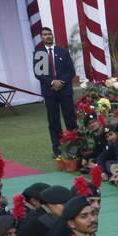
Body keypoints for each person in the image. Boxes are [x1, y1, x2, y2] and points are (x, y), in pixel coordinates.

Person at [34, 26, 78, 159]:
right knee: (54, 122)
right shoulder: (39, 53)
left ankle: (75, 148)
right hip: (50, 92)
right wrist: (53, 82)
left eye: (49, 34)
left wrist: (61, 82)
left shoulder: (63, 52)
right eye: (45, 34)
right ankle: (57, 149)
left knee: (70, 119)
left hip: (65, 92)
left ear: (52, 35)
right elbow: (39, 73)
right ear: (41, 38)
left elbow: (71, 71)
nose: (48, 36)